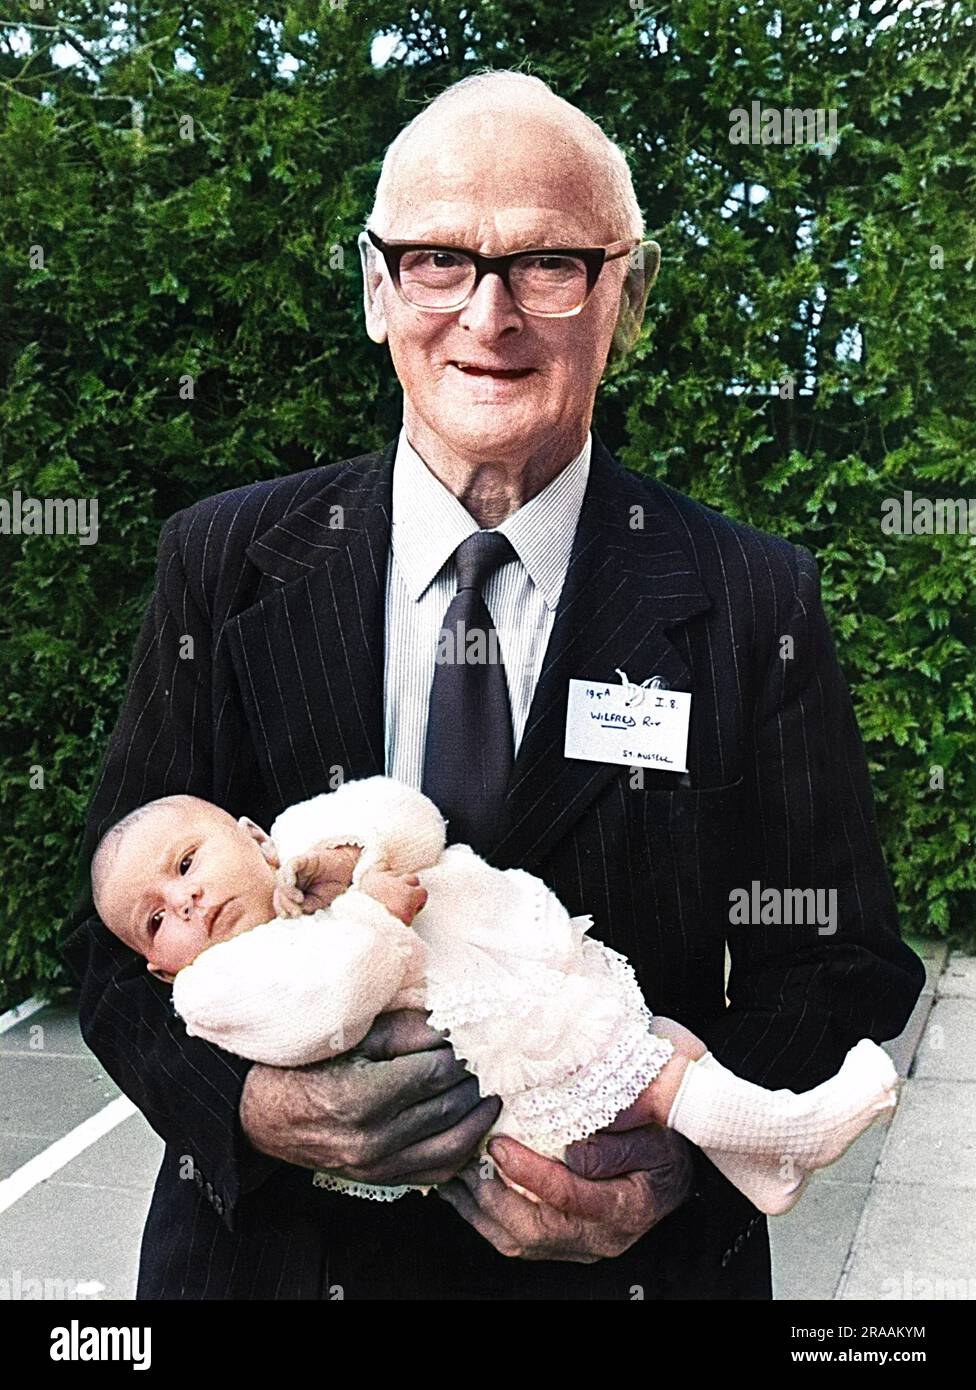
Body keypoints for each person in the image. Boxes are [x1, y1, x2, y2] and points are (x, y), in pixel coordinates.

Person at [61, 69, 925, 1299]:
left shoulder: (751, 597)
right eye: (435, 260)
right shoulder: (223, 563)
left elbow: (842, 958)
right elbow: (113, 936)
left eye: (548, 264)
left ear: (625, 296)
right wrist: (249, 1105)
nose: (488, 314)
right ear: (377, 290)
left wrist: (669, 1154)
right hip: (274, 1271)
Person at [89, 777, 901, 1217]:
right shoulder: (219, 984)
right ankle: (793, 1130)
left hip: (534, 975)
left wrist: (348, 851)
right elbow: (328, 1001)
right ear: (162, 969)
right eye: (155, 919)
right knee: (652, 1081)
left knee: (670, 1040)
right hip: (501, 1062)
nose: (184, 901)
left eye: (188, 863)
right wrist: (373, 912)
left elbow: (415, 822)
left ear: (252, 836)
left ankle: (756, 1171)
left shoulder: (301, 839)